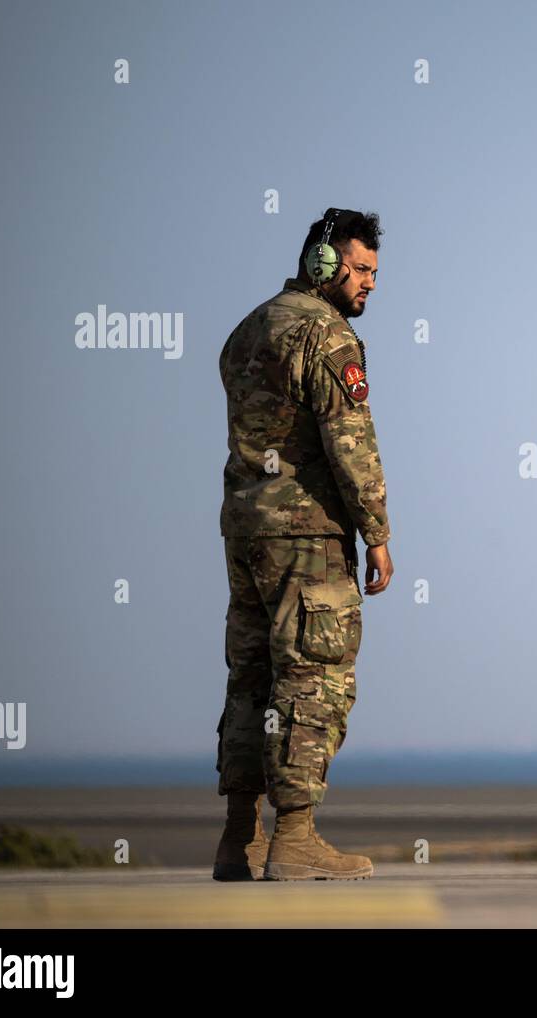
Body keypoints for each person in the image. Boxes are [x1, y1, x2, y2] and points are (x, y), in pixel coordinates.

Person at [212, 208, 394, 880]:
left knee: (251, 681)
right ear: (325, 262)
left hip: (245, 530)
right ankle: (294, 839)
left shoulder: (247, 329)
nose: (371, 283)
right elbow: (351, 444)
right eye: (362, 268)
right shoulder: (328, 335)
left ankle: (240, 840)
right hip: (307, 538)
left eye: (376, 271)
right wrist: (377, 534)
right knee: (313, 678)